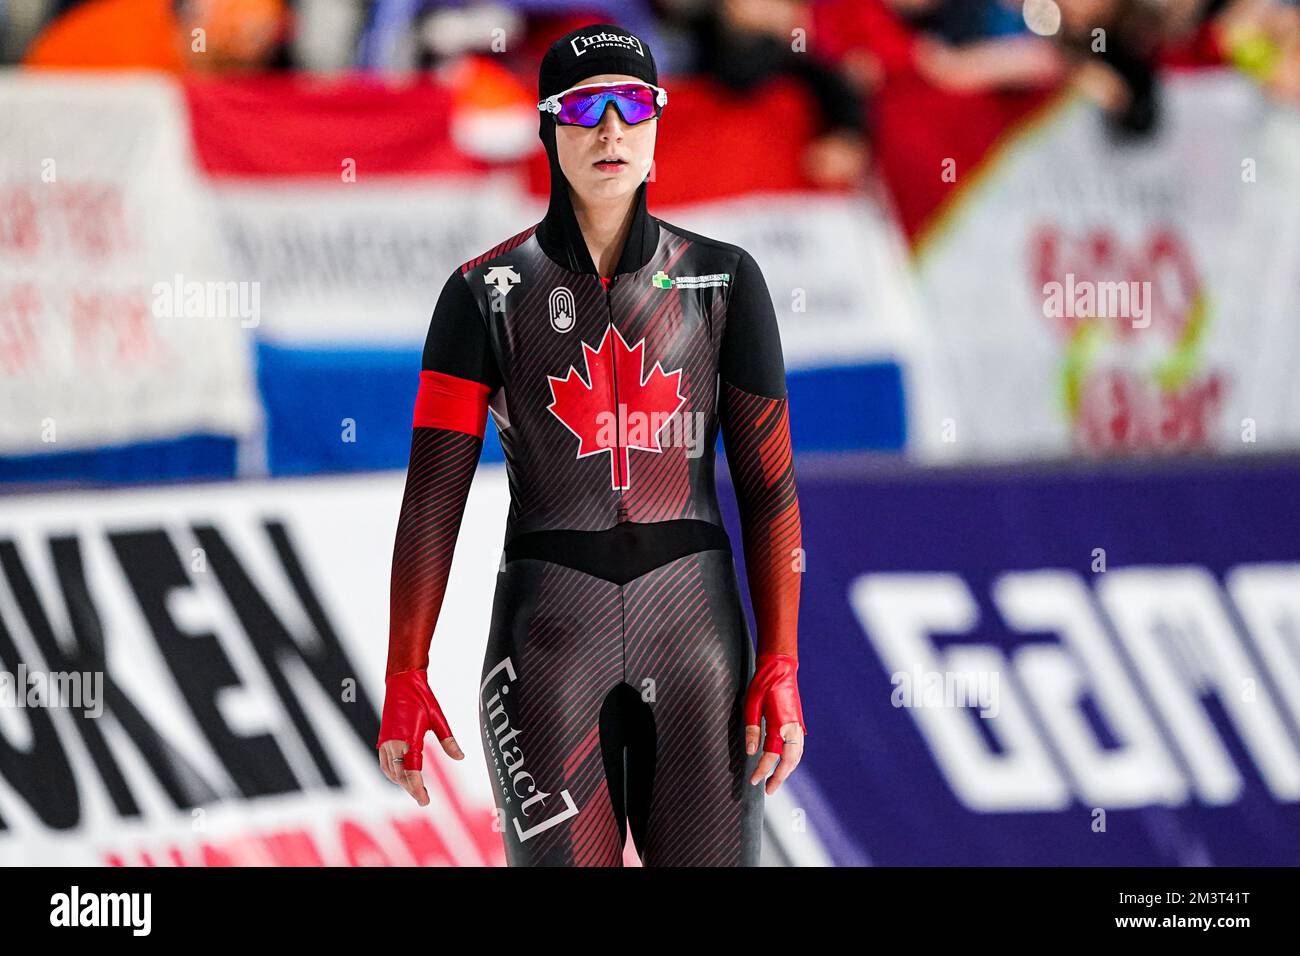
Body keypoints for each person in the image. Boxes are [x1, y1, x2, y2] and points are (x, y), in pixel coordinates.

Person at [376, 22, 806, 867]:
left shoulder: (723, 281)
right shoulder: (483, 294)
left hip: (700, 649)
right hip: (546, 654)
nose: (612, 131)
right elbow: (434, 498)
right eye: (584, 109)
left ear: (657, 123)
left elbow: (770, 490)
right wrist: (403, 672)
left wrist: (783, 659)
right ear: (548, 127)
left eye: (632, 106)